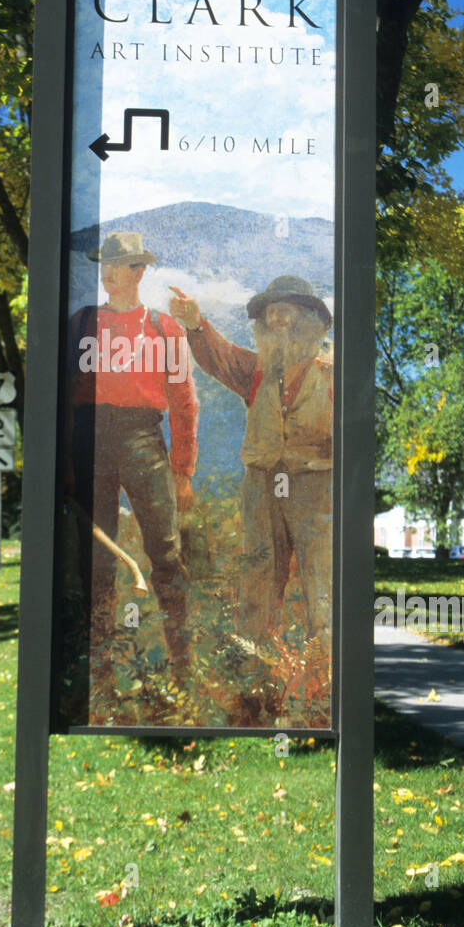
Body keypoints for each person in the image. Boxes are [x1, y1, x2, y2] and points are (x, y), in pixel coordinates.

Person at [170, 275, 332, 650]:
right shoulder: (258, 369)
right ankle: (254, 658)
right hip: (261, 484)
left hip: (317, 486)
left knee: (321, 573)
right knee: (259, 570)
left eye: (285, 313)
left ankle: (324, 665)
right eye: (270, 315)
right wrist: (195, 323)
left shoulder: (331, 372)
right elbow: (220, 357)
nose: (276, 321)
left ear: (309, 320)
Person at [67, 232, 198, 679]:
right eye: (104, 262)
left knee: (164, 549)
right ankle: (100, 660)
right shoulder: (82, 323)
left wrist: (182, 471)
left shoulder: (165, 328)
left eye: (119, 264)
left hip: (144, 439)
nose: (108, 271)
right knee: (97, 551)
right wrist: (64, 459)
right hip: (90, 438)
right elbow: (61, 394)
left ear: (138, 272)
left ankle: (183, 656)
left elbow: (183, 401)